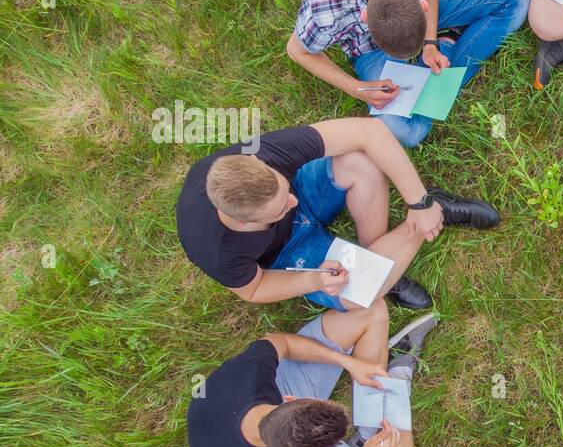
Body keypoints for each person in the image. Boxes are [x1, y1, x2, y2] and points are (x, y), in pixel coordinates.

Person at [176, 118, 499, 312]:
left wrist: (418, 201)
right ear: (243, 222)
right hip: (286, 252)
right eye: (281, 207)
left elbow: (370, 131)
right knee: (357, 300)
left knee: (360, 162)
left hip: (306, 190)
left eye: (283, 187)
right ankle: (420, 229)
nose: (293, 202)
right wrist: (312, 279)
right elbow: (254, 289)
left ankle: (399, 244)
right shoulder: (214, 249)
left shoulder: (258, 158)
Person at [187, 306, 446, 447]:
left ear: (289, 399)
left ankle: (382, 394)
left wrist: (347, 362)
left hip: (263, 392)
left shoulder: (252, 374)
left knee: (373, 311)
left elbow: (282, 342)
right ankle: (398, 374)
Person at [286, 0, 529, 147]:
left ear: (420, 1)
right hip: (367, 49)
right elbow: (297, 51)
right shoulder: (326, 10)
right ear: (364, 18)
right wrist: (359, 89)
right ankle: (449, 52)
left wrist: (430, 42)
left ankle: (442, 53)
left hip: (427, 15)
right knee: (404, 133)